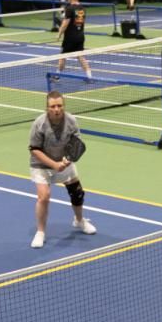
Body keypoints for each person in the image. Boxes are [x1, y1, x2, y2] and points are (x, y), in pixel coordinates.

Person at [28, 91, 96, 249]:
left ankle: (79, 221)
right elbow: (34, 149)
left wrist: (67, 159)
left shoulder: (71, 121)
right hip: (41, 164)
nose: (56, 109)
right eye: (53, 106)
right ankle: (40, 232)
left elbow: (76, 143)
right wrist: (53, 164)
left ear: (63, 106)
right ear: (47, 107)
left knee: (77, 192)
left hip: (63, 161)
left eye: (59, 105)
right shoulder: (39, 123)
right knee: (44, 197)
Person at [57, 0, 93, 80]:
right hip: (80, 36)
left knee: (62, 56)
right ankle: (89, 76)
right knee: (81, 56)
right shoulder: (82, 8)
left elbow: (65, 23)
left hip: (70, 37)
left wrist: (59, 34)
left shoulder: (69, 8)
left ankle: (57, 75)